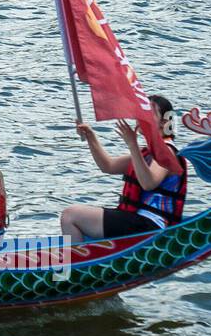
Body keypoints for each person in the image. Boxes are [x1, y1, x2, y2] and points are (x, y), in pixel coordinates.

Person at [60, 96, 189, 242]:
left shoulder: (167, 152)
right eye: (141, 111)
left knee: (70, 216)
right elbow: (108, 165)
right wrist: (91, 137)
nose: (141, 116)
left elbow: (149, 183)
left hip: (151, 227)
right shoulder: (148, 153)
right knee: (74, 217)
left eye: (148, 112)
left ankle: (79, 262)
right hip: (136, 221)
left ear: (164, 122)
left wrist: (132, 144)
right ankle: (81, 255)